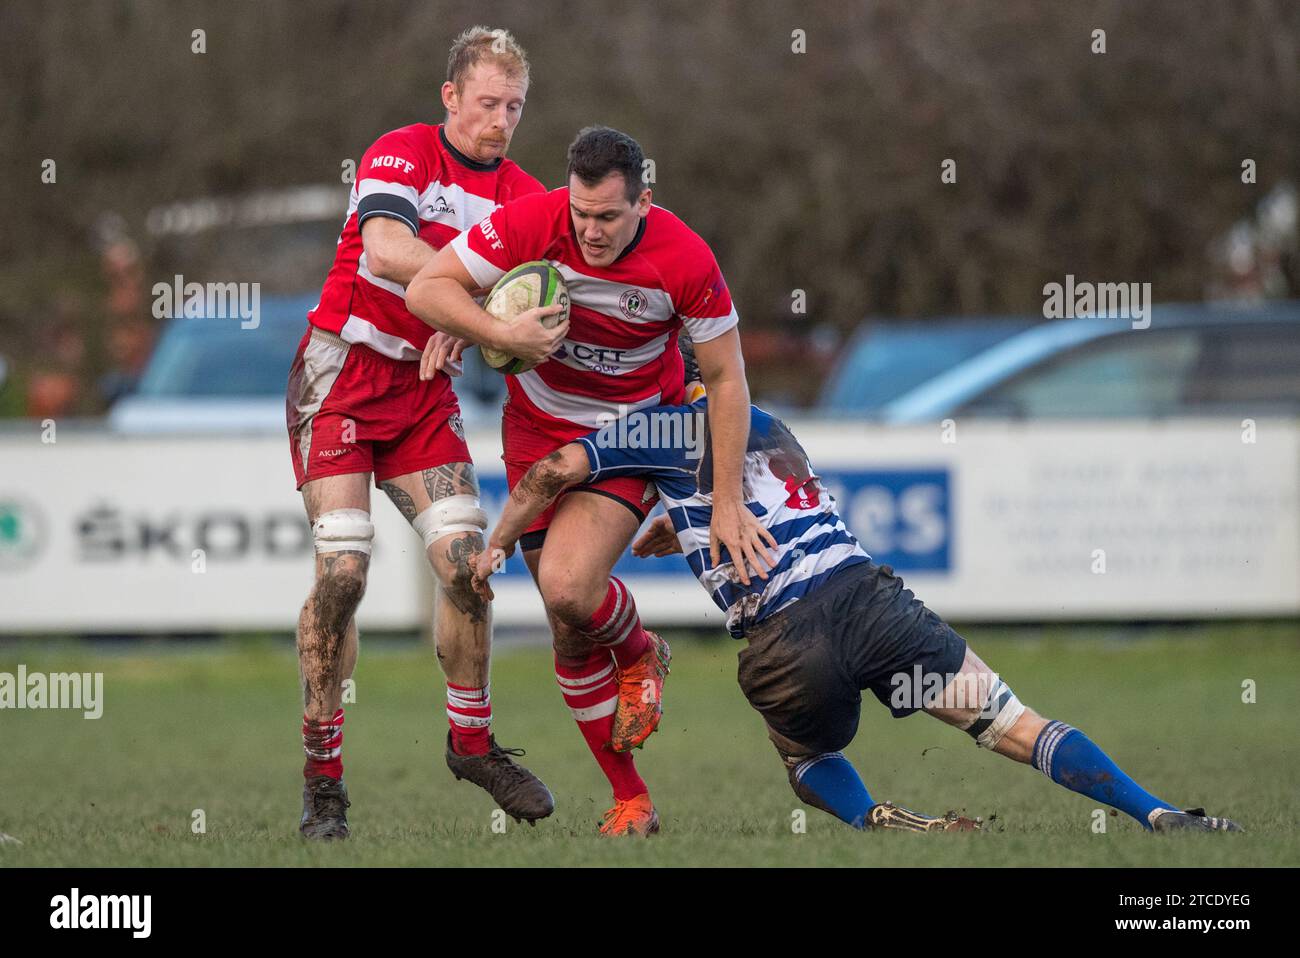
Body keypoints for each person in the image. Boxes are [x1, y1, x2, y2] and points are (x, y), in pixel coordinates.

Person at [470, 358, 1244, 836]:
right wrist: (686, 528)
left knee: (803, 753)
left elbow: (550, 474)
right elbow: (751, 488)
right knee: (1011, 722)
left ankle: (872, 817)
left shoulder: (663, 427)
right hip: (870, 600)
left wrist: (503, 541)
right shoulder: (770, 425)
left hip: (784, 639)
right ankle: (1155, 812)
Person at [406, 127, 767, 836]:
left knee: (569, 588)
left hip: (634, 436)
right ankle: (631, 798)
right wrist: (494, 330)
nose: (590, 231)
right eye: (580, 215)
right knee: (568, 630)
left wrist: (726, 500)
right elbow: (426, 287)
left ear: (644, 202)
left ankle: (639, 652)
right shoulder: (533, 221)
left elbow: (726, 380)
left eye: (608, 216)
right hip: (536, 431)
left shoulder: (684, 257)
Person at [284, 26, 564, 840]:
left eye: (514, 106)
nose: (499, 120)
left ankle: (471, 743)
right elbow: (386, 247)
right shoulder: (402, 153)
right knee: (343, 574)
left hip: (421, 394)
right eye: (486, 102)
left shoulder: (527, 197)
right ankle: (323, 775)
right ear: (450, 97)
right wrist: (471, 307)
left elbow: (544, 296)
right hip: (340, 378)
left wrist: (474, 328)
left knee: (469, 569)